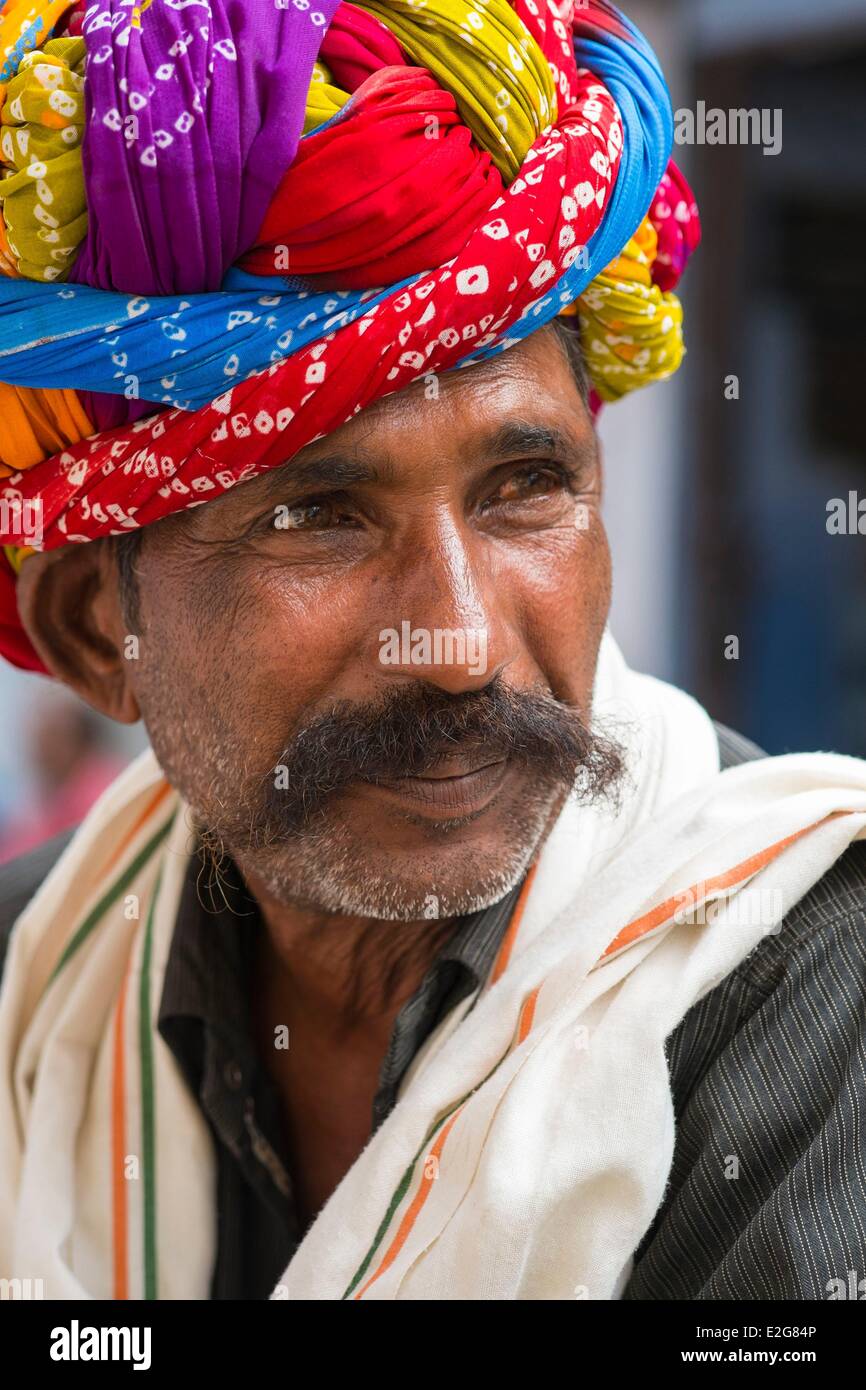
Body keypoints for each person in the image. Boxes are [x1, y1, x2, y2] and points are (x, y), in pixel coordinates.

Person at [0, 0, 865, 1303]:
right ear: (91, 629)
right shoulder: (32, 967)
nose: (458, 645)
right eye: (319, 517)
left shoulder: (810, 998)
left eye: (524, 488)